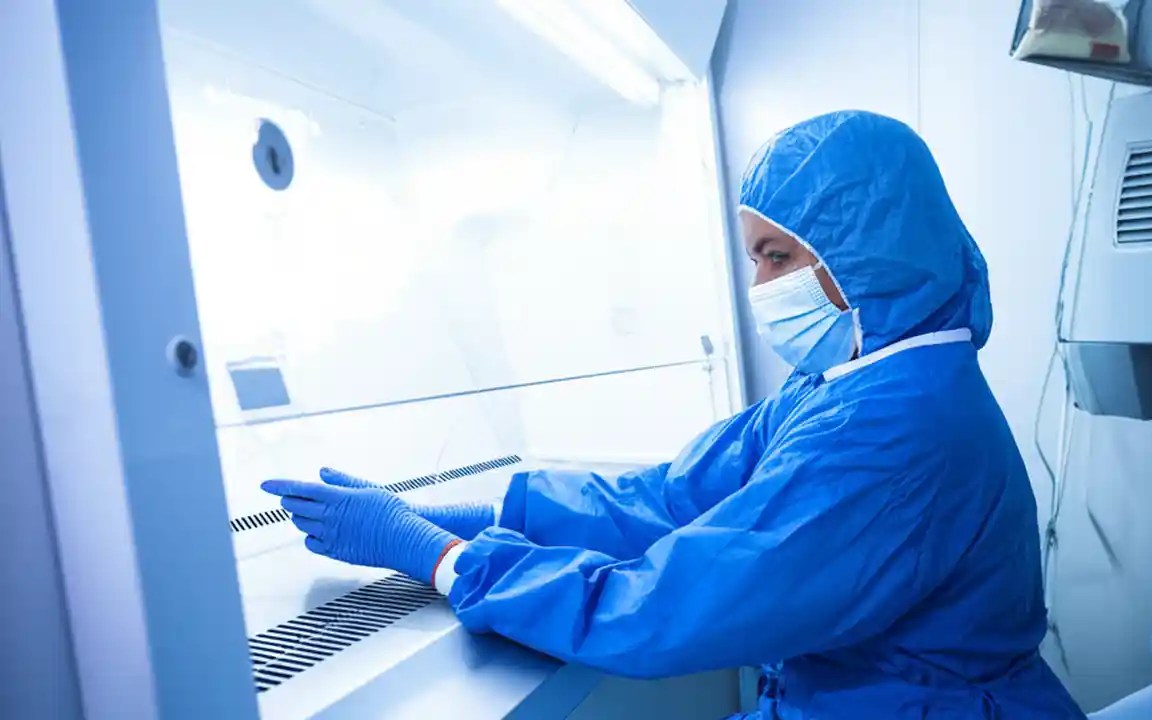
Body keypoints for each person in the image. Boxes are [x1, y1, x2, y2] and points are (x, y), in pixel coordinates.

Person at [263, 111, 1086, 719]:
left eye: (777, 256)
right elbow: (671, 498)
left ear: (860, 255)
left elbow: (658, 612)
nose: (762, 287)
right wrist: (487, 510)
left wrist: (439, 556)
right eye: (755, 258)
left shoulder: (895, 430)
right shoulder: (852, 381)